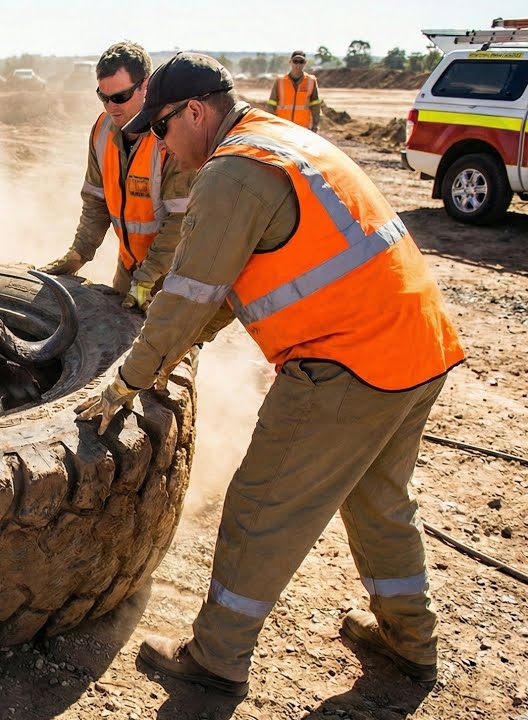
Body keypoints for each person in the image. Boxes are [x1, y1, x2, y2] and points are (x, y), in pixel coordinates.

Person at [75, 53, 464, 697]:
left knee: (262, 506)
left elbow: (188, 294)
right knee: (380, 501)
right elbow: (228, 292)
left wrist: (128, 382)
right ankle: (411, 641)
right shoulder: (280, 140)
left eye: (163, 130)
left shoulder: (232, 174)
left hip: (346, 362)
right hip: (417, 344)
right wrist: (181, 350)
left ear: (194, 111)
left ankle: (217, 657)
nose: (162, 150)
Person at [40, 41, 192, 312]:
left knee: (169, 350)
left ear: (145, 86)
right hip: (130, 266)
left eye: (120, 97)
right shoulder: (101, 131)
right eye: (103, 97)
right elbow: (96, 200)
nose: (111, 107)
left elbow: (180, 222)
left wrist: (147, 278)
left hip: (174, 273)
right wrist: (80, 252)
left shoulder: (171, 136)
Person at [267, 50, 322, 132]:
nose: (298, 65)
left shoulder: (311, 81)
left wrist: (315, 125)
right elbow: (271, 104)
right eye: (295, 61)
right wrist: (272, 124)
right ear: (290, 62)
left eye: (301, 62)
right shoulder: (280, 81)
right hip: (282, 127)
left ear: (305, 63)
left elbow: (315, 105)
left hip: (302, 128)